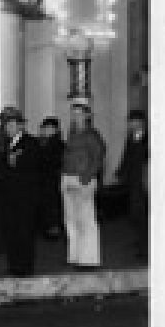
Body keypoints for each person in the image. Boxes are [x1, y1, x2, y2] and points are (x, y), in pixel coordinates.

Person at [60, 107, 106, 269]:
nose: (75, 116)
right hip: (68, 178)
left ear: (87, 116)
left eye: (79, 114)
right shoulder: (71, 133)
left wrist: (87, 177)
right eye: (73, 113)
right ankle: (75, 256)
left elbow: (98, 157)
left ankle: (89, 259)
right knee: (70, 220)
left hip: (82, 179)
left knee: (86, 220)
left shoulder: (92, 135)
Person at [0, 110, 41, 276]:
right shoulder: (7, 144)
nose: (8, 127)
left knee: (25, 231)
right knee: (10, 231)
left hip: (25, 196)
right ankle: (14, 264)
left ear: (21, 125)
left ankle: (25, 266)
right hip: (8, 196)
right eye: (7, 125)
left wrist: (14, 163)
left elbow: (32, 167)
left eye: (12, 124)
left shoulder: (31, 143)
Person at [115, 110, 150, 259]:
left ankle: (145, 248)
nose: (130, 124)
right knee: (135, 214)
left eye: (132, 121)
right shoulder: (131, 137)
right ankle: (142, 240)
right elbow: (127, 156)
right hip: (134, 181)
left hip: (145, 181)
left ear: (141, 122)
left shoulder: (150, 138)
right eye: (129, 122)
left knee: (142, 214)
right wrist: (120, 173)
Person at [35, 116, 66, 238]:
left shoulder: (58, 145)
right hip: (43, 179)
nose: (45, 130)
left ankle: (53, 229)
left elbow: (55, 162)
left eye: (48, 128)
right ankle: (47, 228)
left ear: (55, 130)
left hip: (52, 179)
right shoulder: (41, 143)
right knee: (46, 205)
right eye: (44, 128)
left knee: (52, 205)